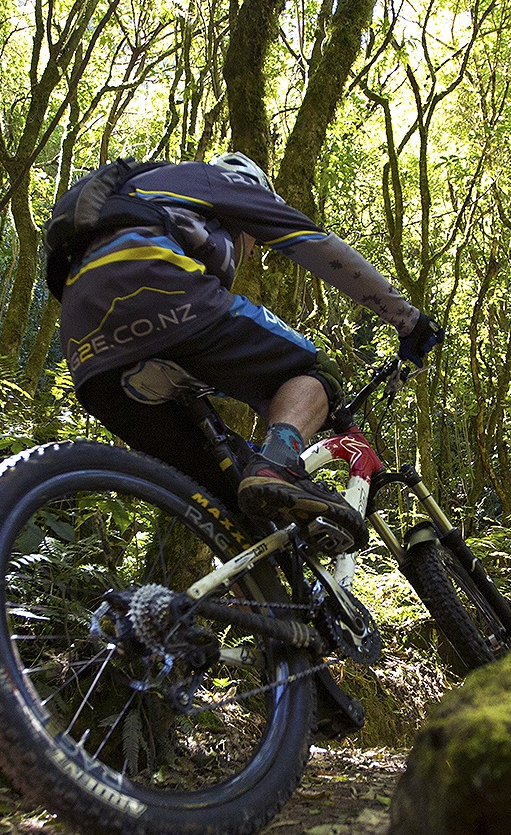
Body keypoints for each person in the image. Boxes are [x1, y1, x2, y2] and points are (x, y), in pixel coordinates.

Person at [48, 152, 441, 547]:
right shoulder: (217, 181)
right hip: (162, 291)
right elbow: (314, 244)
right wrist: (408, 320)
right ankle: (278, 465)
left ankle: (245, 600)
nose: (250, 252)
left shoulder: (141, 197)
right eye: (252, 243)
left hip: (87, 353)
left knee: (231, 507)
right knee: (315, 372)